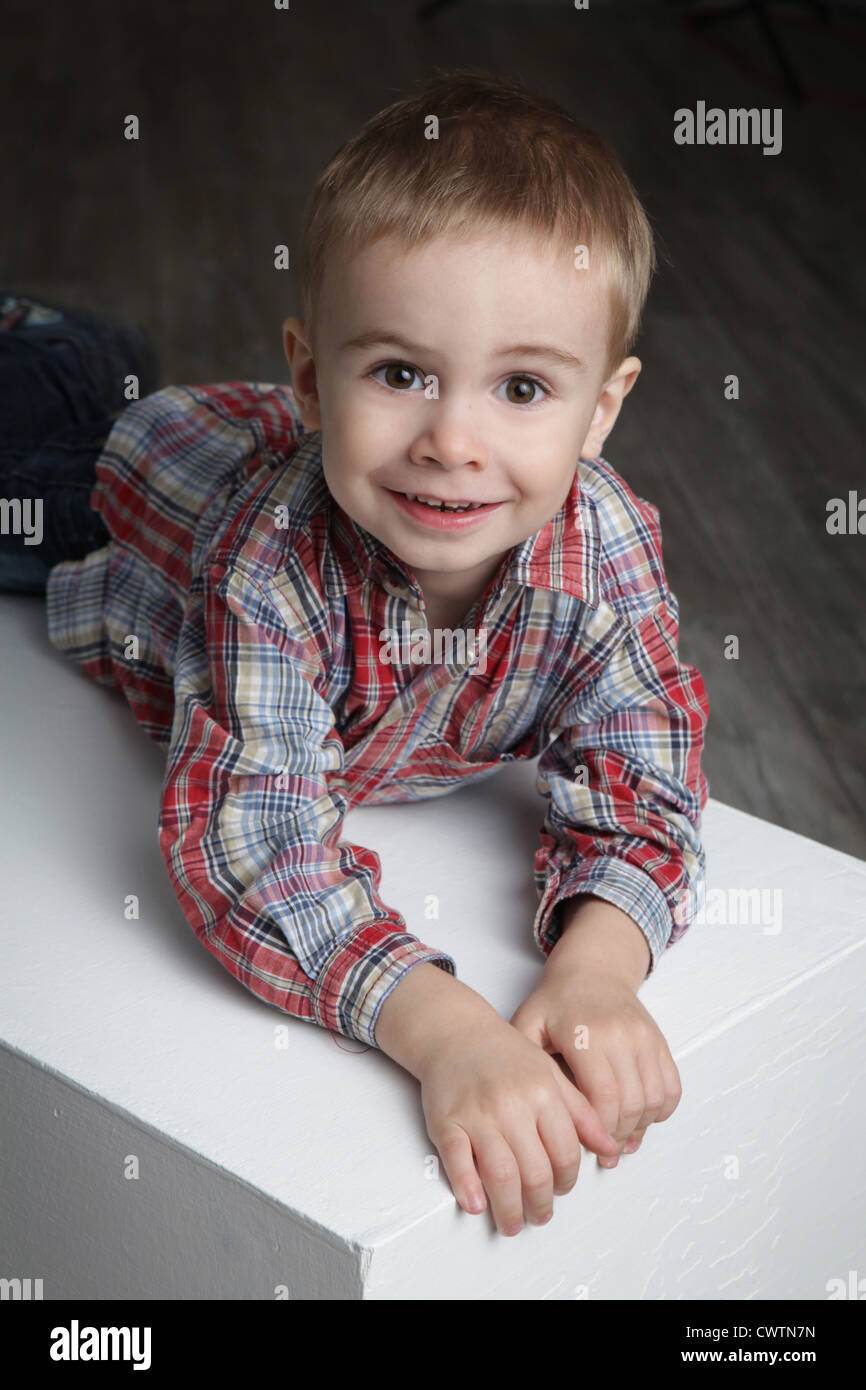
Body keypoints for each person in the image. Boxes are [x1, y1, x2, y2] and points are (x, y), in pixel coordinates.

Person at [28, 69, 710, 1239]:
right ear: (313, 370)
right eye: (399, 372)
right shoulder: (271, 560)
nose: (452, 440)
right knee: (49, 406)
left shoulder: (604, 542)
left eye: (522, 387)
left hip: (253, 439)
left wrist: (598, 972)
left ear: (600, 409)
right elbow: (256, 841)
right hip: (109, 494)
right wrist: (442, 1028)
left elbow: (643, 776)